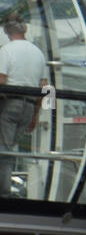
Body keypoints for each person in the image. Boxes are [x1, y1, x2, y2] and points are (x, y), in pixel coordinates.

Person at [0, 19, 48, 196]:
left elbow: (1, 81)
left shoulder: (6, 51)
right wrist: (35, 114)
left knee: (3, 150)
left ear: (7, 32)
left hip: (9, 105)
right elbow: (44, 86)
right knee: (11, 150)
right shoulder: (39, 54)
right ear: (25, 30)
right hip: (28, 107)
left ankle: (3, 193)